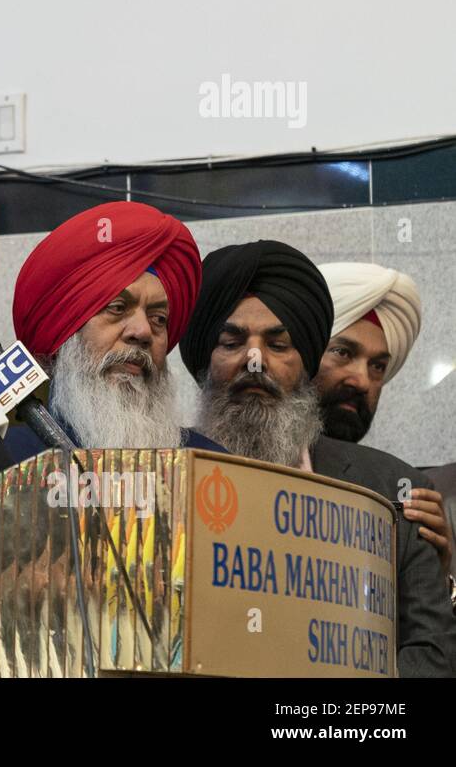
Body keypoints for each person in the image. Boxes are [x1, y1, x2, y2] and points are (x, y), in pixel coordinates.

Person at [180, 240, 456, 676]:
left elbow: (432, 652)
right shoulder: (162, 477)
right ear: (205, 362)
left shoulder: (394, 491)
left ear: (306, 364)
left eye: (278, 344)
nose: (255, 361)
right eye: (232, 342)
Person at [3, 201, 221, 463]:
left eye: (158, 318)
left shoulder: (209, 465)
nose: (142, 332)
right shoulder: (2, 459)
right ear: (65, 332)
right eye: (117, 308)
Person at [313, 262, 450, 577]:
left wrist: (432, 571)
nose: (362, 380)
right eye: (343, 353)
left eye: (377, 366)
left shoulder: (399, 491)